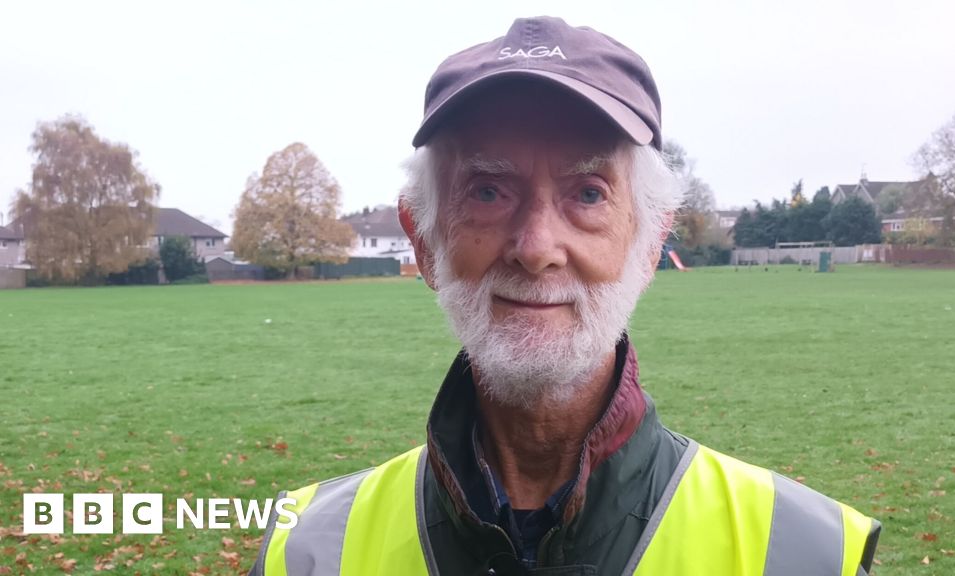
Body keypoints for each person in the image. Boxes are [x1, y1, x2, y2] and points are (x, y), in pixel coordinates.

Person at [248, 16, 880, 576]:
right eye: (489, 191)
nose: (536, 246)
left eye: (588, 193)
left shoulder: (800, 553)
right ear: (424, 243)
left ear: (649, 240)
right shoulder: (306, 551)